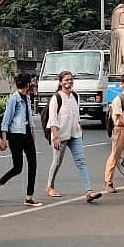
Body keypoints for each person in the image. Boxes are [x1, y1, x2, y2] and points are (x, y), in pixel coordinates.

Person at [44, 71, 102, 203]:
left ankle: (89, 191)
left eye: (71, 79)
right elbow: (53, 119)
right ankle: (50, 186)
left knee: (81, 161)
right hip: (61, 135)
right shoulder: (56, 98)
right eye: (66, 80)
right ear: (61, 82)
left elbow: (76, 115)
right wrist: (56, 137)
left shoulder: (75, 96)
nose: (69, 82)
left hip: (75, 134)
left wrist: (79, 128)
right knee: (57, 162)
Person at [0, 71, 42, 207]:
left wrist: (32, 131)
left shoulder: (27, 97)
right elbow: (6, 121)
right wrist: (3, 140)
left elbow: (29, 116)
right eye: (30, 83)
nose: (31, 85)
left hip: (27, 134)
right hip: (15, 136)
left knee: (33, 164)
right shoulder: (14, 99)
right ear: (27, 84)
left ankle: (29, 196)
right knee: (18, 167)